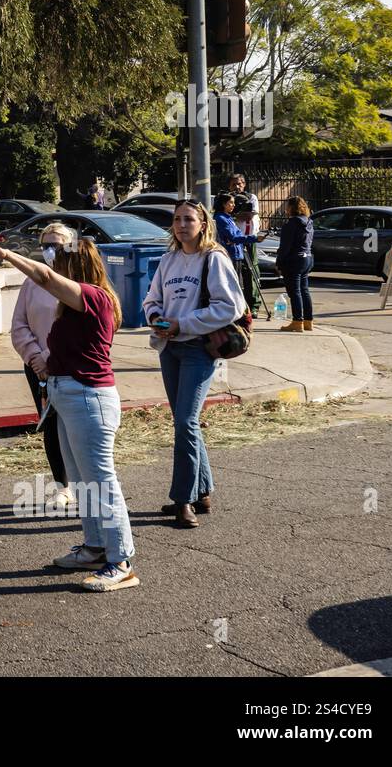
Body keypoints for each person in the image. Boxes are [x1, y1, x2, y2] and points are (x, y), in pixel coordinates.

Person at [0, 228, 139, 593]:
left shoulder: (94, 297)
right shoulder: (76, 303)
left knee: (101, 480)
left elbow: (45, 277)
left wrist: (6, 256)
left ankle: (121, 561)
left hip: (89, 399)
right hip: (69, 396)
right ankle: (96, 548)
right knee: (82, 482)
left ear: (77, 267)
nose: (54, 269)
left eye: (61, 262)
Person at [142, 200, 247, 528]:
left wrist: (182, 323)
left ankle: (182, 500)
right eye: (177, 219)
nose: (181, 224)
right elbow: (151, 299)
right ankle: (202, 492)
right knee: (184, 421)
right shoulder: (169, 260)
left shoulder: (213, 259)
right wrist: (157, 317)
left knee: (185, 422)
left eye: (189, 219)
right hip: (169, 348)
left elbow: (230, 306)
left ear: (203, 223)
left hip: (198, 349)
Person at [9, 222, 75, 508]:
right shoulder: (31, 283)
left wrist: (54, 356)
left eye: (57, 245)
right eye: (46, 245)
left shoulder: (80, 281)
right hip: (39, 368)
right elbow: (19, 325)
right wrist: (36, 358)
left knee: (75, 427)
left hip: (72, 364)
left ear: (70, 246)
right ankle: (63, 485)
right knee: (50, 424)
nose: (51, 251)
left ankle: (86, 482)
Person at [213, 192, 263, 311]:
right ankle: (235, 310)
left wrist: (241, 238)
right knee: (234, 285)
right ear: (223, 204)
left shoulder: (228, 217)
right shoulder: (221, 218)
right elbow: (233, 237)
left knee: (238, 283)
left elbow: (238, 234)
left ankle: (240, 309)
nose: (233, 205)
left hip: (237, 253)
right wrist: (254, 238)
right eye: (230, 203)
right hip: (230, 255)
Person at [276, 196, 315, 332]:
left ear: (292, 208)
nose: (285, 209)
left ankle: (297, 321)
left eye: (287, 206)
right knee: (304, 290)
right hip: (307, 258)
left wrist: (279, 263)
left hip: (294, 260)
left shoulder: (291, 224)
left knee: (295, 292)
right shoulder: (309, 222)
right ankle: (308, 321)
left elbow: (285, 246)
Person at [227, 173, 264, 312]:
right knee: (234, 273)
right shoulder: (227, 199)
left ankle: (253, 305)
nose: (237, 187)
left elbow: (249, 215)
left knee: (251, 272)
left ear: (244, 184)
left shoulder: (251, 197)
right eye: (234, 184)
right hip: (233, 242)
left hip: (249, 239)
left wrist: (233, 214)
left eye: (239, 183)